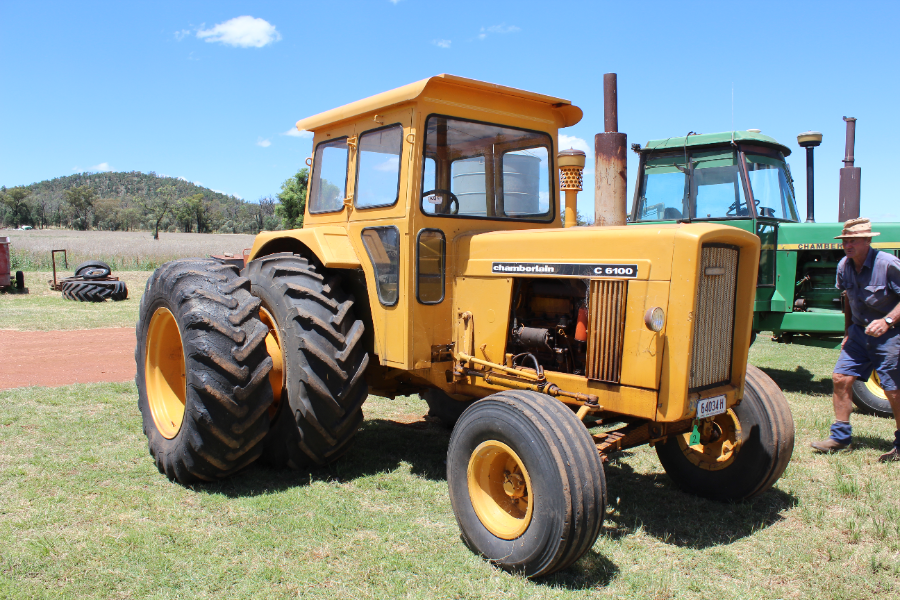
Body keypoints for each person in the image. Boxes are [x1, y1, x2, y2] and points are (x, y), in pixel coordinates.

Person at [811, 217, 900, 462]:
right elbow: (849, 299)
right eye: (845, 241)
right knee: (841, 378)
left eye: (853, 241)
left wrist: (887, 321)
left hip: (891, 333)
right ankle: (840, 437)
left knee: (893, 389)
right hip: (859, 333)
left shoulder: (888, 264)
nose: (848, 245)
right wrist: (848, 331)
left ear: (867, 240)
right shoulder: (844, 265)